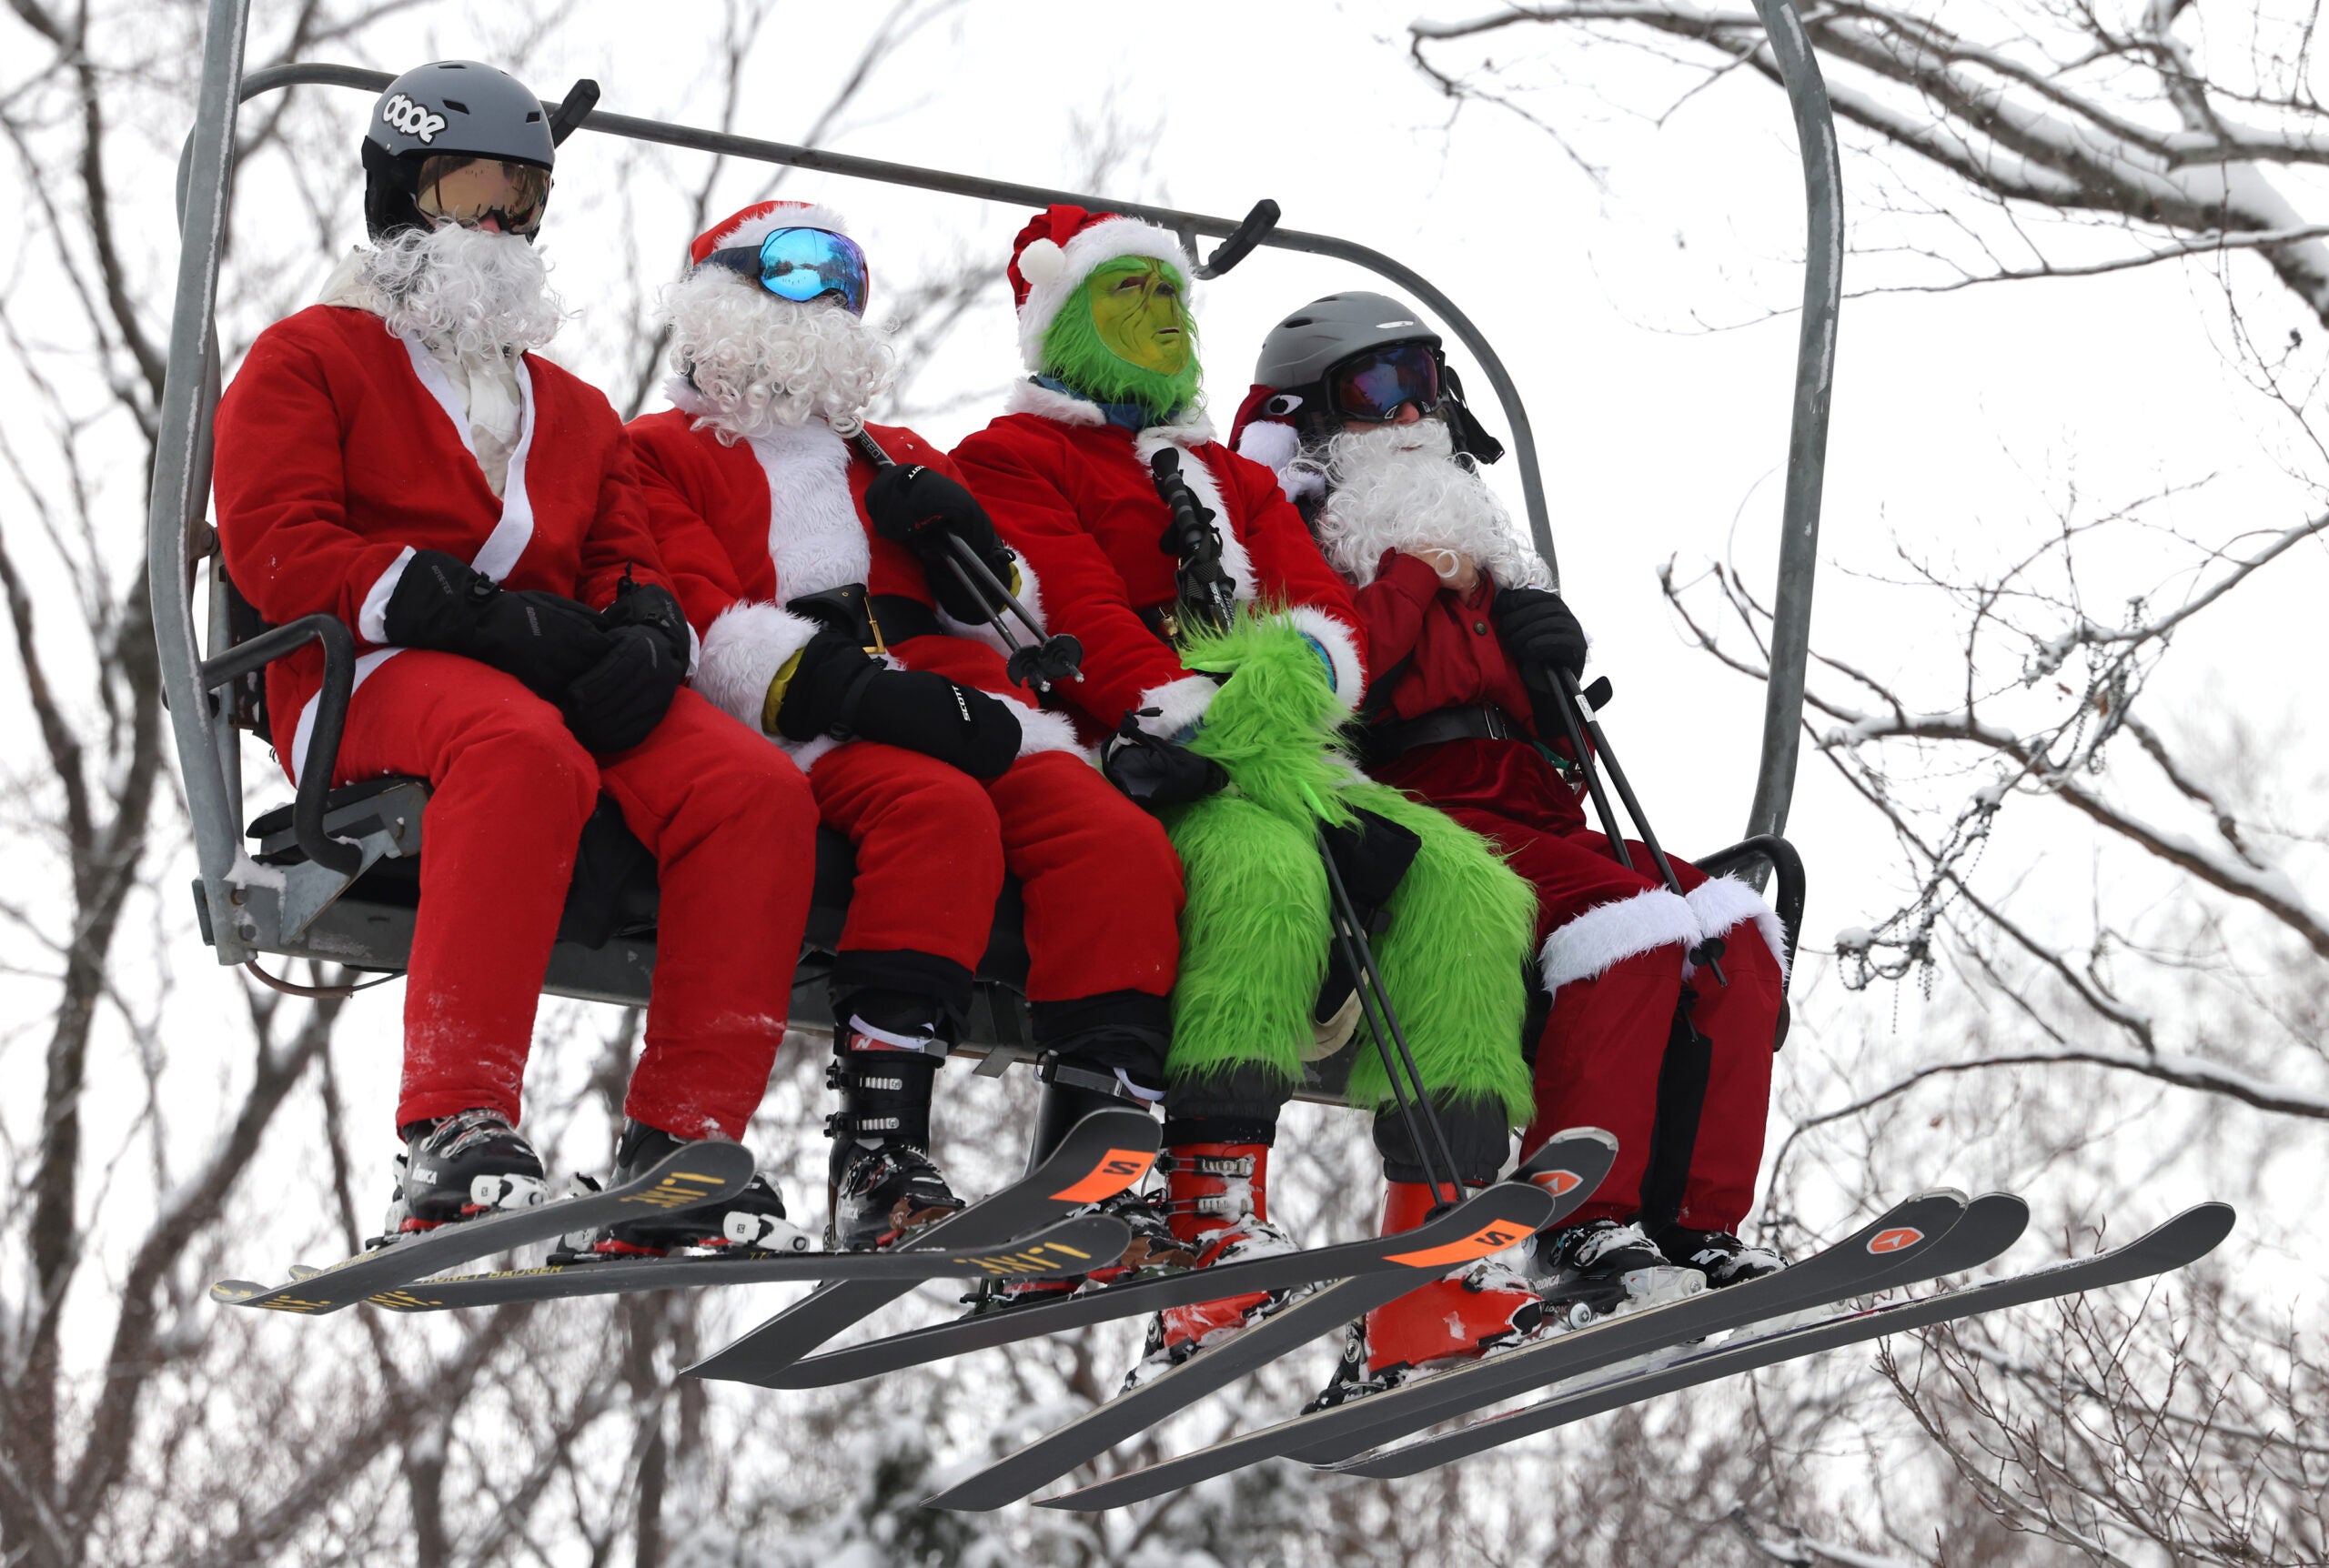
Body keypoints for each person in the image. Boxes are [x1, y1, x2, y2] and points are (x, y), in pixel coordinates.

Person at [213, 63, 815, 1255]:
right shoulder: (310, 358)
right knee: (516, 748)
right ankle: (455, 1120)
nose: (504, 222)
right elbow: (281, 548)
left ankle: (683, 1140)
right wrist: (457, 608)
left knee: (755, 791)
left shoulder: (575, 407)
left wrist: (650, 633)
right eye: (474, 190)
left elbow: (622, 552)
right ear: (405, 194)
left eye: (525, 197)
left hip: (546, 671)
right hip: (366, 671)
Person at [952, 207, 1541, 1388]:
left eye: (1173, 301)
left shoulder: (1229, 478)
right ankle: (1208, 1206)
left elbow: (1330, 629)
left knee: (1472, 890)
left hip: (1280, 758)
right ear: (1064, 320)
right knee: (1262, 875)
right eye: (1130, 298)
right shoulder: (1012, 460)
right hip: (1152, 766)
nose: (1163, 324)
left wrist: (1269, 686)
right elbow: (1088, 624)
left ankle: (1442, 1253)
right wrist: (1235, 692)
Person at [626, 201, 1188, 1258]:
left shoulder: (894, 454)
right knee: (936, 813)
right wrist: (858, 691)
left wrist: (968, 545)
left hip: (958, 689)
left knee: (1116, 843)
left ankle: (1098, 1155)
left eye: (847, 276)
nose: (828, 296)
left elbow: (1016, 616)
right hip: (806, 712)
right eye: (796, 269)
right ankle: (881, 1151)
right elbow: (698, 617)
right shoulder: (660, 453)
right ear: (719, 290)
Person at [1230, 290, 1791, 1314]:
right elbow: (1323, 673)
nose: (1409, 416)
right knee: (1626, 924)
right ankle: (1579, 1221)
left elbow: (1546, 751)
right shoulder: (1300, 533)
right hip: (1409, 805)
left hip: (1530, 805)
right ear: (1314, 414)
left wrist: (1545, 677)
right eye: (1377, 389)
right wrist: (1407, 577)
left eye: (1425, 384)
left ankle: (1696, 1225)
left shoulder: (1485, 561)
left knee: (1735, 926)